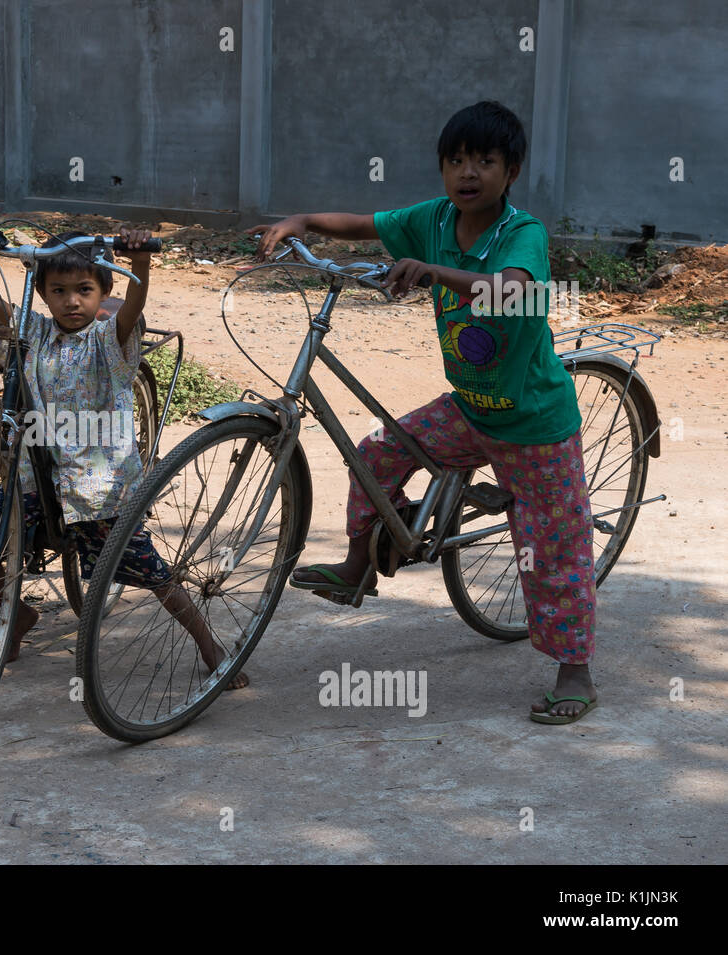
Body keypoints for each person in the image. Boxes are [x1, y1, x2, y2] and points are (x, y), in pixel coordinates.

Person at [251, 101, 597, 723]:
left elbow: (510, 288)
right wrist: (302, 219)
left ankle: (575, 671)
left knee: (550, 550)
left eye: (485, 162)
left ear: (511, 170)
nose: (469, 173)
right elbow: (361, 224)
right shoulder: (434, 219)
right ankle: (359, 567)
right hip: (470, 409)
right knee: (377, 450)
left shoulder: (523, 233)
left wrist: (433, 272)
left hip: (534, 424)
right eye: (455, 161)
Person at [0, 223, 249, 688]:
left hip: (99, 488)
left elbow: (133, 306)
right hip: (39, 478)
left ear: (103, 292)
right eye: (58, 291)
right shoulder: (34, 331)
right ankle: (17, 613)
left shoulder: (109, 341)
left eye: (84, 290)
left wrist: (139, 262)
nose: (71, 301)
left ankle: (207, 642)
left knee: (150, 571)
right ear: (42, 293)